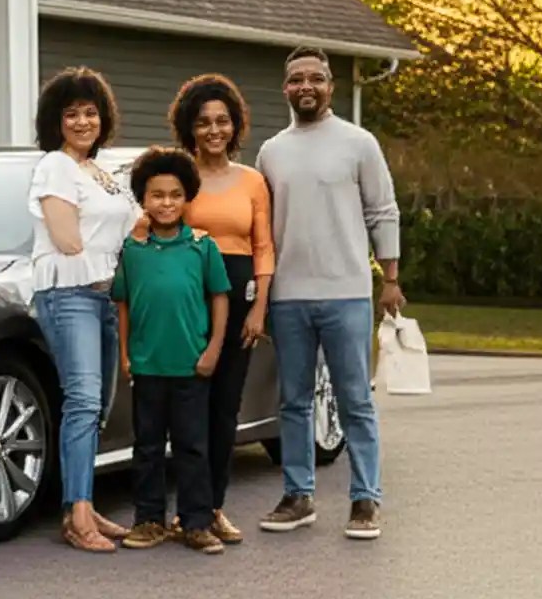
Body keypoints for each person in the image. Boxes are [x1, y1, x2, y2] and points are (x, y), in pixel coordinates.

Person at [255, 46, 405, 541]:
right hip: (288, 297)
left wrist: (390, 278)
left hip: (346, 294)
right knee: (293, 401)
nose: (306, 87)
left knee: (354, 400)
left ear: (330, 85)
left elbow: (383, 211)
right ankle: (298, 496)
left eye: (315, 78)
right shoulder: (271, 152)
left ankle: (366, 500)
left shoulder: (359, 143)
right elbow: (264, 229)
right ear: (286, 88)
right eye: (296, 79)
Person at [28, 66, 140, 553]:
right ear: (56, 120)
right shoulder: (55, 165)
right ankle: (77, 517)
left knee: (97, 408)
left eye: (90, 112)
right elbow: (67, 237)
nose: (81, 122)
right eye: (71, 113)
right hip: (70, 294)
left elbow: (134, 229)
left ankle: (85, 501)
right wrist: (114, 262)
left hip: (103, 297)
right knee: (83, 403)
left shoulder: (104, 172)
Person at [170, 74, 275, 545]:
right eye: (204, 122)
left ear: (235, 127)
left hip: (240, 295)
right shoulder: (179, 177)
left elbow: (264, 247)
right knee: (191, 407)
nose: (214, 130)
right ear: (189, 127)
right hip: (188, 300)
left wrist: (259, 311)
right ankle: (189, 513)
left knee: (225, 408)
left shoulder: (253, 181)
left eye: (222, 121)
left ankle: (213, 508)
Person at [112, 147, 231, 556]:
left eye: (175, 195)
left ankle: (196, 521)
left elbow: (219, 297)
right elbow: (122, 305)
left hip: (191, 367)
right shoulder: (133, 251)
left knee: (192, 446)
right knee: (147, 446)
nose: (166, 203)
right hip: (147, 366)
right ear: (143, 199)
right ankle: (148, 520)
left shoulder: (202, 247)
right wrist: (125, 353)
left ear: (187, 198)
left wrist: (213, 347)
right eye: (157, 195)